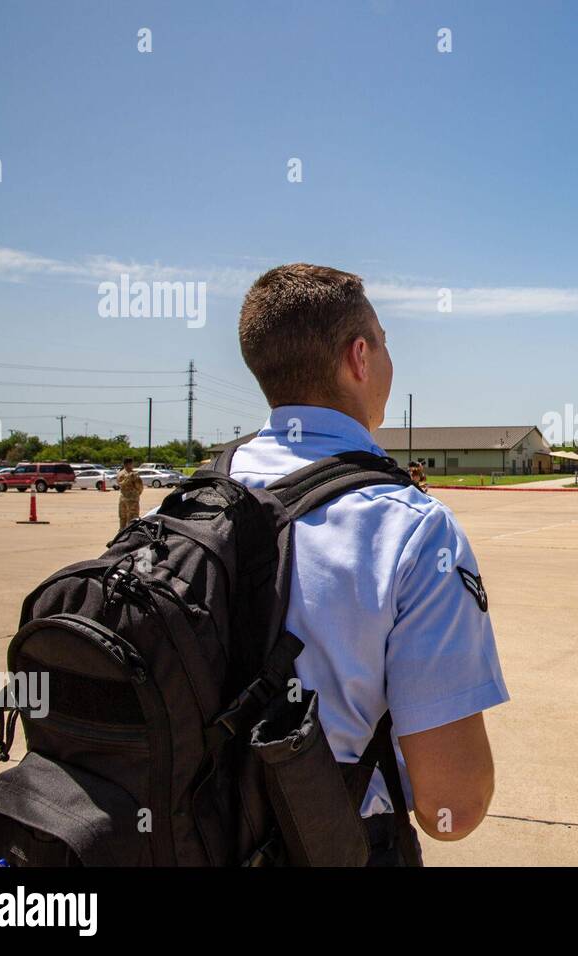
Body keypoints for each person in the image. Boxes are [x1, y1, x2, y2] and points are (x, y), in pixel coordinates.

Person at [230, 263, 508, 866]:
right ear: (359, 357)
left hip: (191, 834)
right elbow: (452, 809)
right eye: (383, 342)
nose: (387, 360)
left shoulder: (202, 491)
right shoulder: (411, 526)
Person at [115, 457, 144, 529]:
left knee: (123, 518)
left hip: (122, 499)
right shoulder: (134, 474)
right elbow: (139, 486)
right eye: (132, 463)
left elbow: (119, 484)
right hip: (132, 499)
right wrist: (138, 493)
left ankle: (121, 535)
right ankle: (130, 536)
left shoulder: (120, 474)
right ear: (129, 464)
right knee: (133, 519)